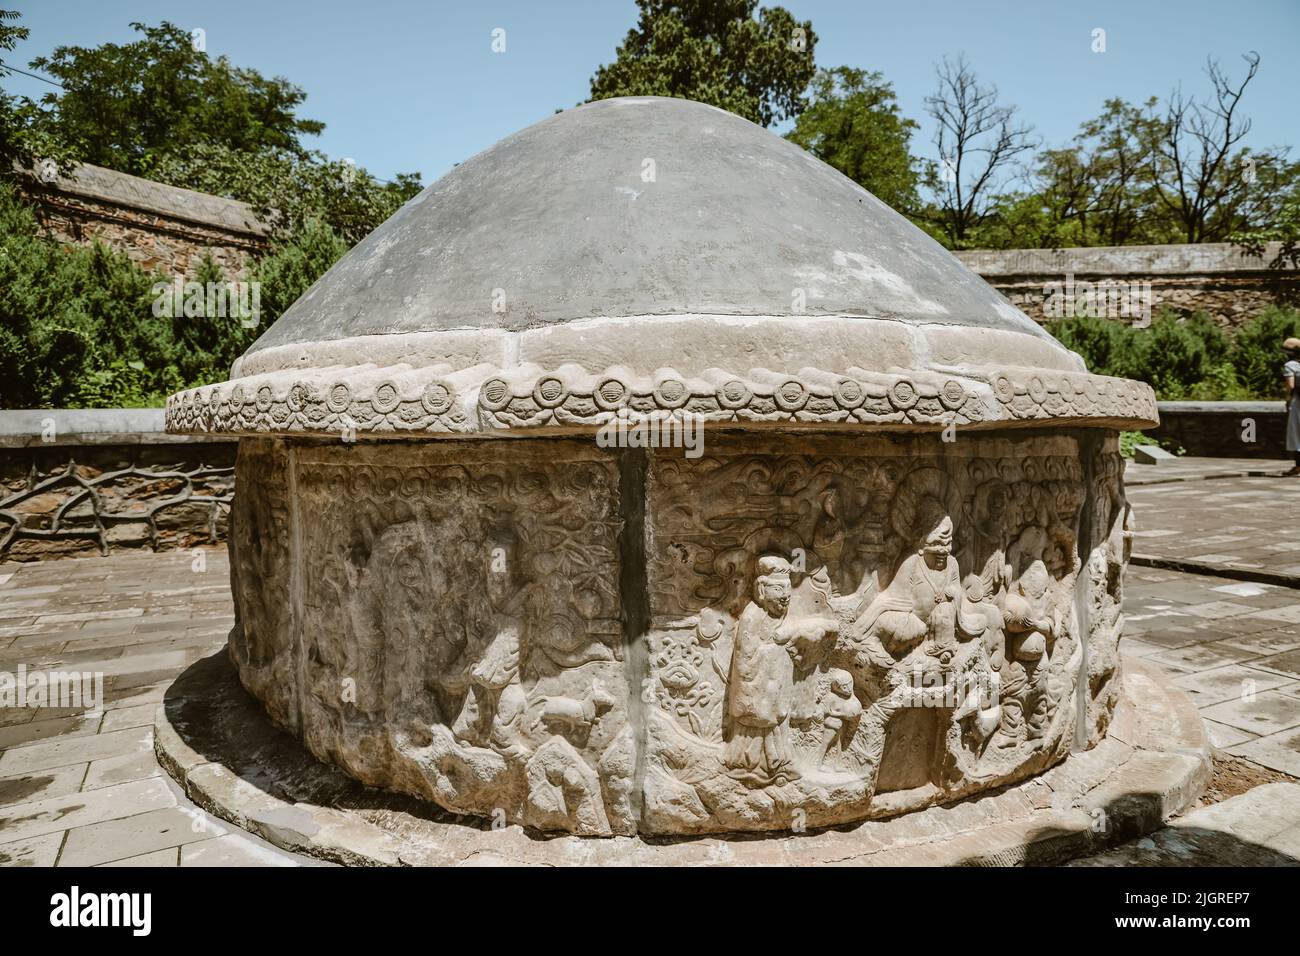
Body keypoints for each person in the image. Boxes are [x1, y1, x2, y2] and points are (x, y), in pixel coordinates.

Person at [1284, 338, 1300, 476]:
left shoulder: (1290, 365)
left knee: (1296, 433)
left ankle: (1298, 466)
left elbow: (1291, 386)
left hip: (1298, 402)